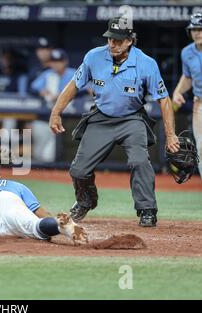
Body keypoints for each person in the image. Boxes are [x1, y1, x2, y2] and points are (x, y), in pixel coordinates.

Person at [48, 16, 180, 227]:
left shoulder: (146, 63)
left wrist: (171, 134)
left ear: (130, 40)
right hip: (101, 117)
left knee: (139, 161)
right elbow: (74, 84)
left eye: (118, 40)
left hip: (132, 118)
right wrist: (56, 112)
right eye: (110, 38)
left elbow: (164, 99)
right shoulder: (94, 56)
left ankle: (147, 209)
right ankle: (85, 201)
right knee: (79, 170)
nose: (112, 43)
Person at [172, 13, 202, 179]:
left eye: (200, 29)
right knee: (201, 150)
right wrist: (177, 92)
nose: (197, 32)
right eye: (193, 29)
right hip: (200, 105)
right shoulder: (187, 52)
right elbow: (189, 77)